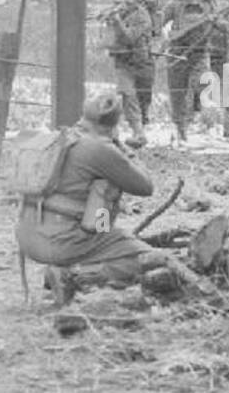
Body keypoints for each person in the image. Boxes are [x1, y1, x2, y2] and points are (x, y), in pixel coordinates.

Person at [14, 93, 214, 332]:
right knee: (148, 258)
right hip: (60, 242)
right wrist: (122, 148)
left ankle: (67, 272)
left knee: (111, 232)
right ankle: (73, 276)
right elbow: (145, 186)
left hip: (28, 234)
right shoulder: (99, 148)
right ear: (113, 123)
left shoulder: (62, 137)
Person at [100, 0, 158, 148]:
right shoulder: (120, 10)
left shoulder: (142, 16)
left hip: (141, 63)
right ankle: (138, 134)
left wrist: (117, 21)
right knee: (128, 95)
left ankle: (140, 130)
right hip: (123, 62)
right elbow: (109, 36)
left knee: (142, 100)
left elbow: (130, 38)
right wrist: (108, 18)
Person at [161, 0, 212, 143]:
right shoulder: (174, 6)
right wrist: (163, 39)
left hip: (199, 53)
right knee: (177, 93)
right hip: (177, 53)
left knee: (201, 82)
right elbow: (158, 23)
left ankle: (195, 109)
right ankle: (180, 128)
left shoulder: (208, 6)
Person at [196, 0, 229, 136]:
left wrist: (218, 22)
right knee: (205, 91)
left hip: (222, 58)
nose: (221, 2)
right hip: (205, 58)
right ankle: (205, 124)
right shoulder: (205, 14)